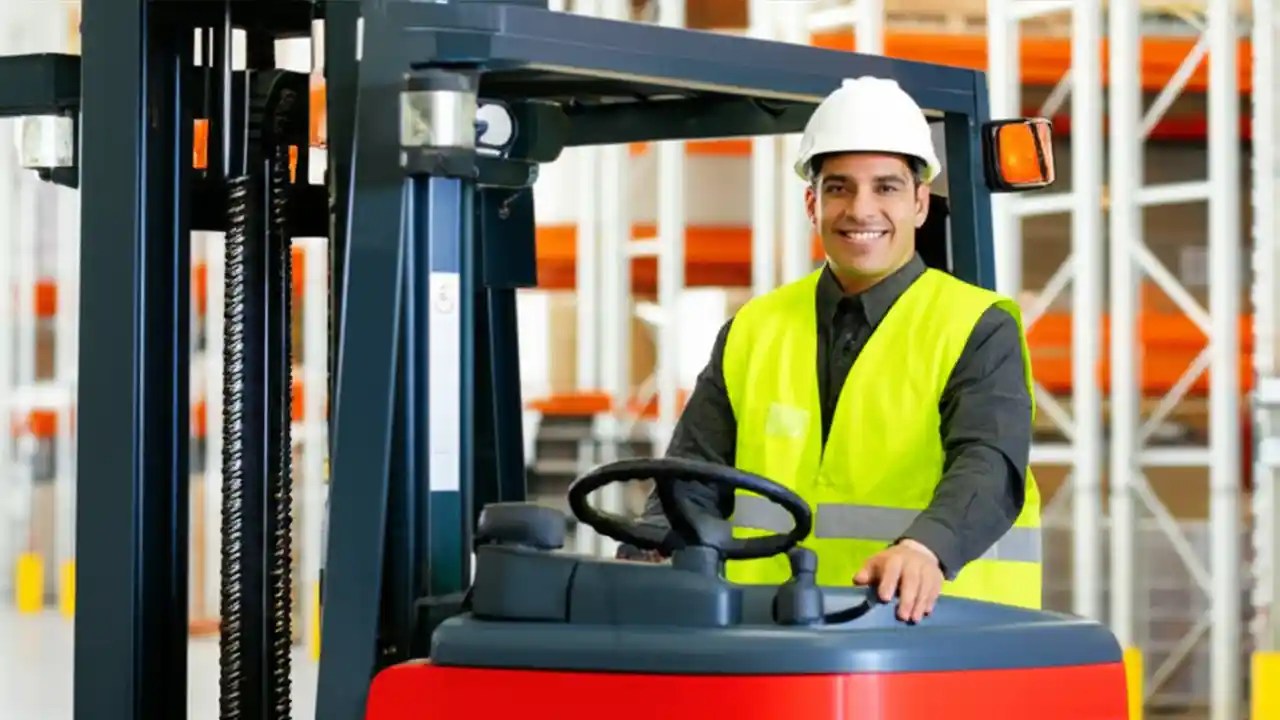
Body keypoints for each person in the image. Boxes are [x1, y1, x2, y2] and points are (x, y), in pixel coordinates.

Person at [620, 76, 1042, 622]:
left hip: (932, 635)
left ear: (919, 204)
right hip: (771, 637)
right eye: (839, 188)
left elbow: (988, 463)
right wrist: (654, 544)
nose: (860, 209)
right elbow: (695, 470)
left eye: (886, 188)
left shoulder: (976, 326)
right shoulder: (754, 326)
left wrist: (926, 549)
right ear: (811, 203)